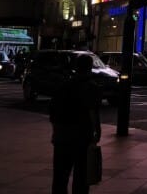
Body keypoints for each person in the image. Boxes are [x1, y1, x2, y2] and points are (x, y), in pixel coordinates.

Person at [49, 53, 102, 194]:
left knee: (60, 176)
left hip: (62, 135)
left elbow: (53, 112)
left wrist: (56, 131)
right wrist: (96, 132)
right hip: (82, 136)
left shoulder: (63, 85)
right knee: (81, 176)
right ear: (90, 68)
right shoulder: (92, 87)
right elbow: (93, 113)